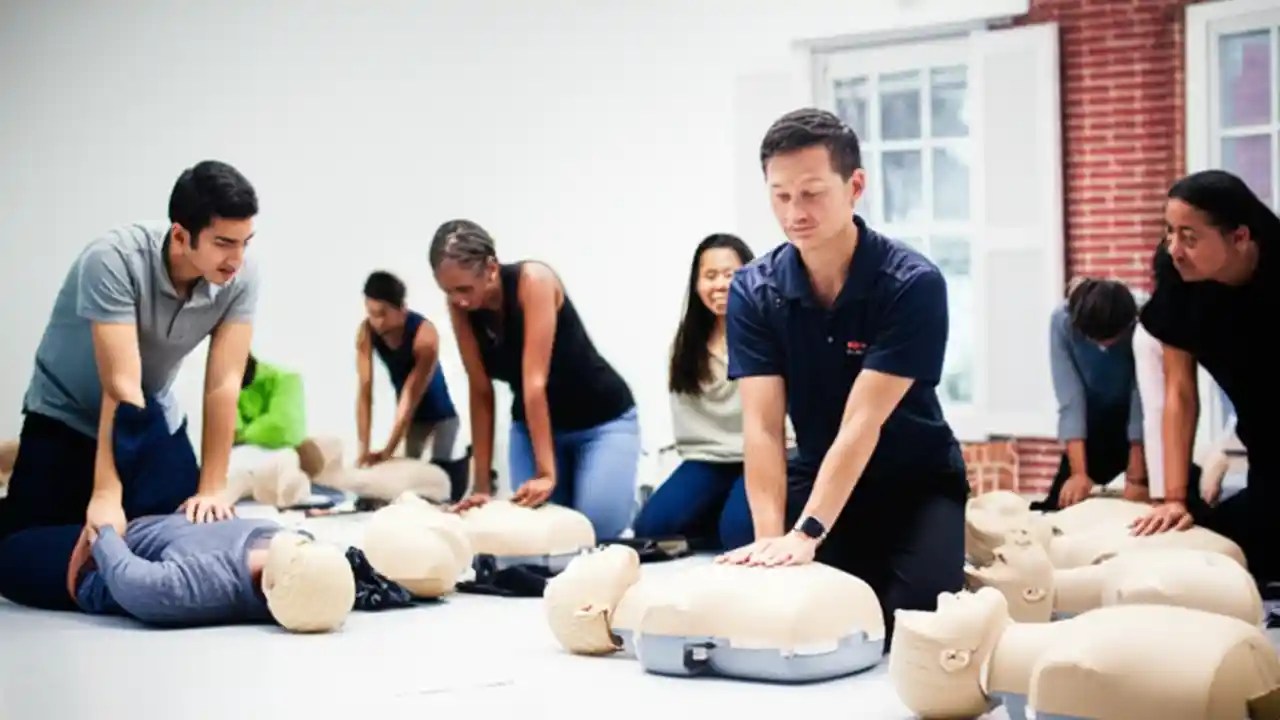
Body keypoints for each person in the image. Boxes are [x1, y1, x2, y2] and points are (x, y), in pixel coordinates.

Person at [715, 108, 969, 645]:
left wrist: (807, 531)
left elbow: (863, 421)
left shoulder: (912, 283)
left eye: (811, 193)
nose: (794, 211)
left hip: (915, 479)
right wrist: (772, 546)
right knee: (759, 569)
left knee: (908, 621)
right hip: (815, 472)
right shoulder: (753, 290)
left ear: (855, 186)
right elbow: (762, 427)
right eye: (780, 195)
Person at [0, 160, 259, 543]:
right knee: (22, 543)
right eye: (223, 243)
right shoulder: (112, 260)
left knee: (184, 530)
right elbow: (120, 383)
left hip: (149, 415)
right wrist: (107, 494)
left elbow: (224, 382)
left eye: (244, 242)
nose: (236, 259)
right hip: (65, 416)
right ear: (181, 236)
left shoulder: (241, 276)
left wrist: (212, 487)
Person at [429, 220, 641, 540]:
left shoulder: (534, 281)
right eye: (448, 291)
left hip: (600, 421)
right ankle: (572, 488)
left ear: (491, 268)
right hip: (535, 428)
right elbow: (480, 389)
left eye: (463, 289)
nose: (458, 300)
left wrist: (546, 473)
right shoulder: (461, 306)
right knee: (536, 534)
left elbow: (535, 382)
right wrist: (482, 485)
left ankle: (621, 495)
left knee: (596, 530)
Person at [1131, 169, 1278, 586]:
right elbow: (1180, 391)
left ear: (1240, 237)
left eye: (1190, 237)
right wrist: (1174, 499)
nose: (1175, 249)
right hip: (1266, 450)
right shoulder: (1179, 279)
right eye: (1169, 232)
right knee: (1236, 554)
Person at [632, 233, 792, 548]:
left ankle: (728, 516)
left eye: (730, 274)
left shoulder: (773, 332)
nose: (720, 284)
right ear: (696, 284)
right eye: (710, 276)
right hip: (709, 458)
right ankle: (719, 511)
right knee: (651, 528)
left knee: (740, 536)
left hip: (766, 454)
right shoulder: (685, 347)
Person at [1036, 278, 1147, 510]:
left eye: (1111, 340)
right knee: (1059, 505)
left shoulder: (1144, 319)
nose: (1104, 348)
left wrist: (1137, 476)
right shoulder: (1062, 321)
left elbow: (1142, 394)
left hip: (1141, 420)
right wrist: (1079, 474)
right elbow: (1071, 397)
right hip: (1090, 421)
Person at [356, 271, 461, 472]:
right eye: (371, 313)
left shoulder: (425, 336)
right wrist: (363, 451)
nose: (377, 322)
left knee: (440, 474)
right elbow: (364, 391)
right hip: (413, 421)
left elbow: (409, 396)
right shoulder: (366, 333)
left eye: (383, 313)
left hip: (442, 417)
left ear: (402, 308)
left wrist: (388, 450)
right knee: (405, 477)